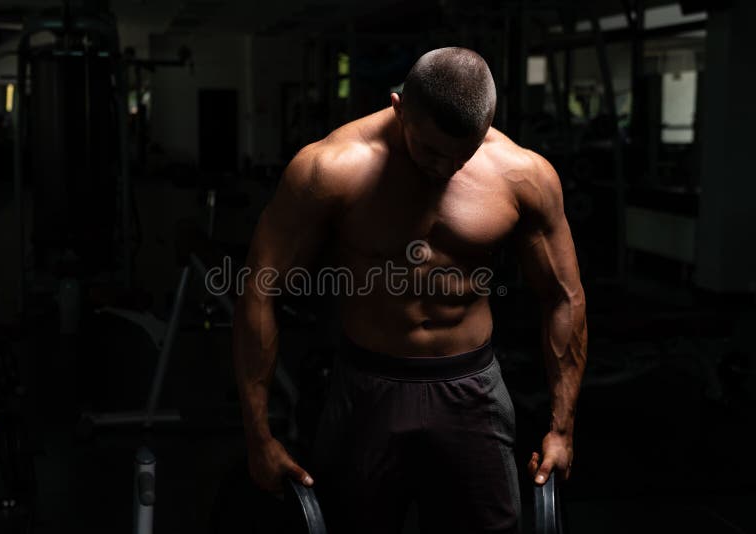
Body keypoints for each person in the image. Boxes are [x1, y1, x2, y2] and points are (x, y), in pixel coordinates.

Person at [233, 47, 587, 534]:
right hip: (366, 390)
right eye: (430, 150)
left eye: (460, 156)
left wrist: (562, 428)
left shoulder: (522, 174)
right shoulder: (330, 168)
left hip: (473, 391)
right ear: (399, 107)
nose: (444, 168)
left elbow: (564, 296)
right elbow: (260, 292)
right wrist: (258, 436)